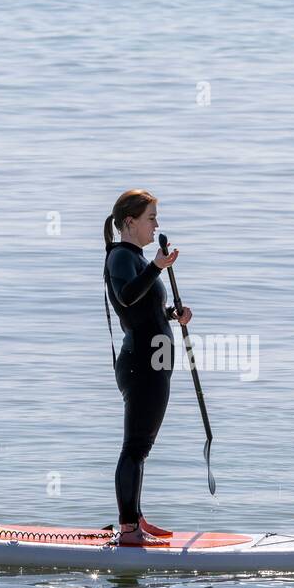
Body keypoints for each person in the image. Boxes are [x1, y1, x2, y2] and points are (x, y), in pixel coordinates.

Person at [103, 189, 192, 546]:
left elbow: (145, 311)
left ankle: (135, 517)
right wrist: (157, 266)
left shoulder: (136, 259)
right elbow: (126, 299)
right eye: (150, 218)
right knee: (135, 447)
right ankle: (128, 530)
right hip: (141, 362)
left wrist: (174, 314)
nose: (156, 225)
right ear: (130, 222)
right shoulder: (122, 257)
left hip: (154, 360)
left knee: (142, 447)